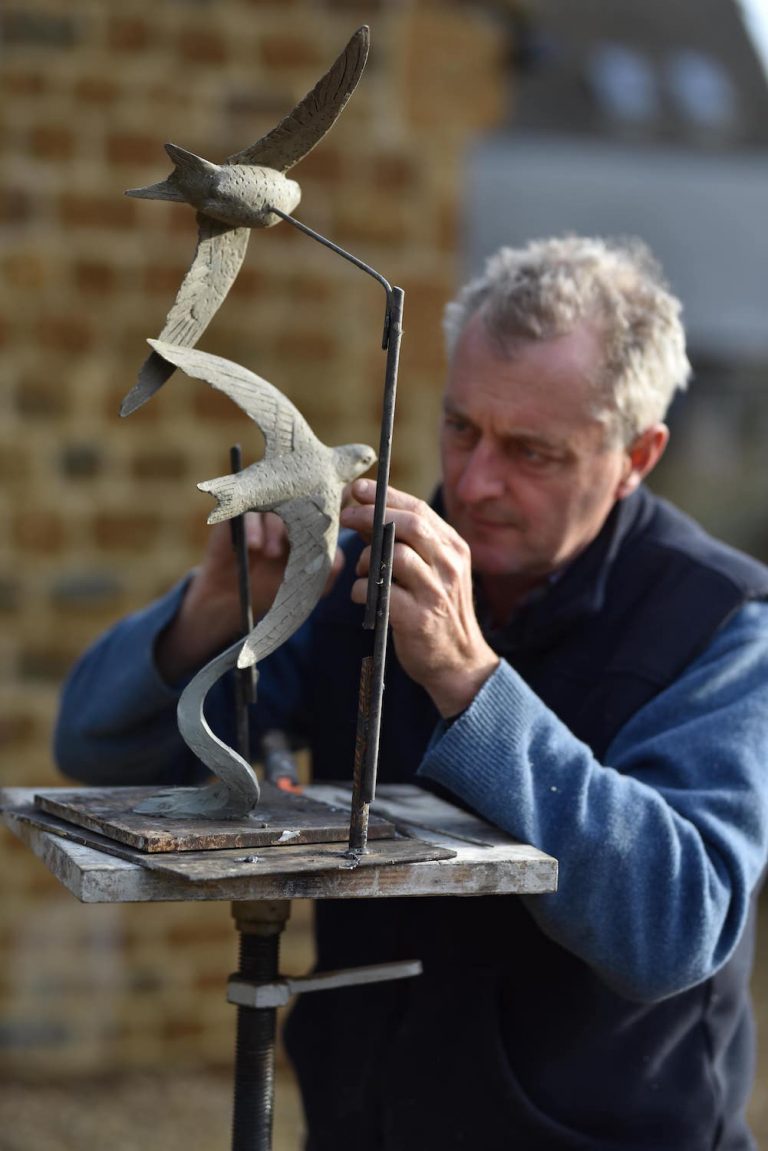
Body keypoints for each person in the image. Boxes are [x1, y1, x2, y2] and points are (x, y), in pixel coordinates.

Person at [55, 235, 768, 1150]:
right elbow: (98, 752)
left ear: (638, 455)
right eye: (461, 427)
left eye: (533, 452)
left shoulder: (720, 625)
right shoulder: (362, 573)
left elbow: (673, 926)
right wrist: (210, 614)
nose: (474, 483)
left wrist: (472, 683)